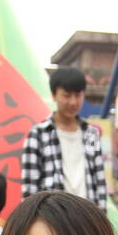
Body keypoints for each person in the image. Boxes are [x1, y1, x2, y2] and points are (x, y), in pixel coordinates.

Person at [20, 67, 107, 209]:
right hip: (53, 216)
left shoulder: (91, 133)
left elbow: (100, 182)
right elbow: (29, 187)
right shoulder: (38, 134)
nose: (73, 102)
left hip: (87, 215)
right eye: (67, 95)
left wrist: (102, 220)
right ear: (54, 95)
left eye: (78, 95)